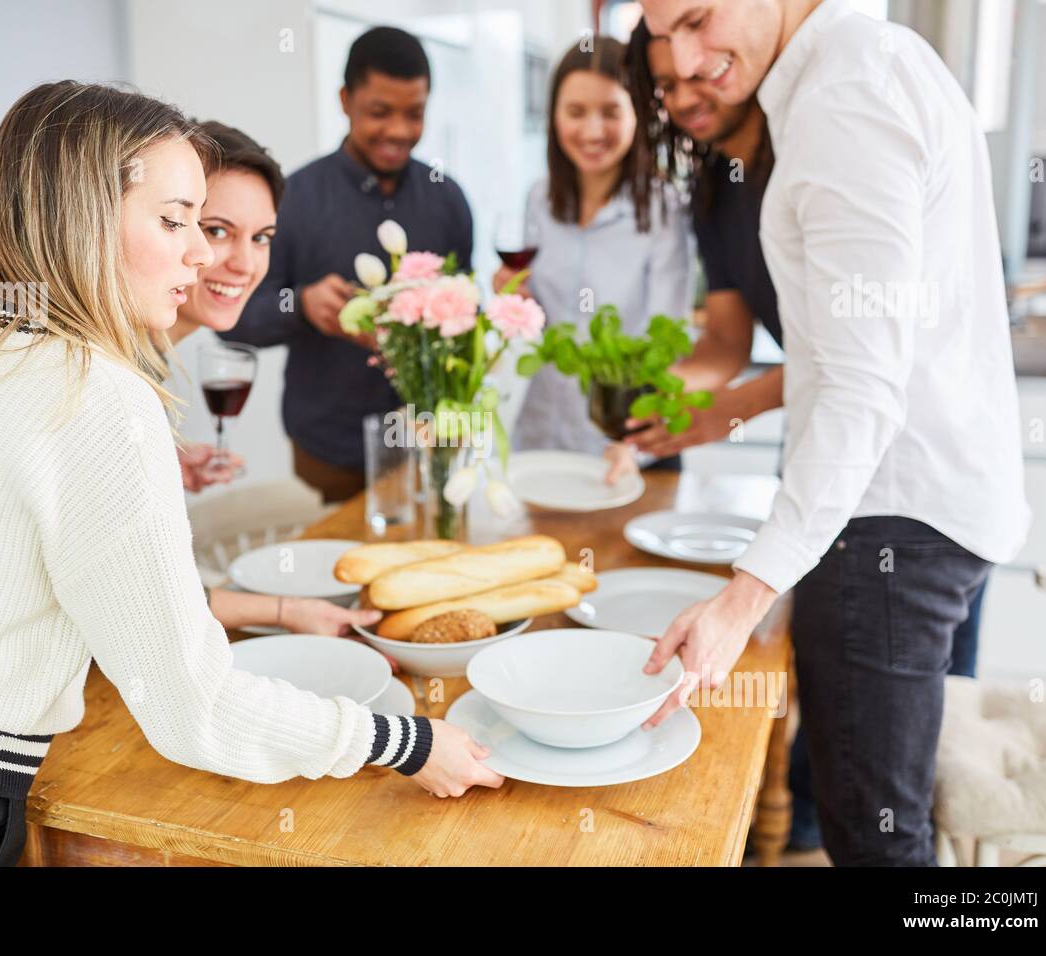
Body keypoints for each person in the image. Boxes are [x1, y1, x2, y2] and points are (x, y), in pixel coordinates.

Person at [0, 81, 502, 866]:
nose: (200, 254)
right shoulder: (94, 392)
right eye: (175, 222)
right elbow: (193, 707)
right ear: (82, 214)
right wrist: (402, 741)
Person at [637, 0, 1028, 866]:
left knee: (878, 848)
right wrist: (728, 409)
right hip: (926, 510)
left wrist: (743, 598)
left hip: (886, 525)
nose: (691, 60)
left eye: (698, 19)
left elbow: (859, 384)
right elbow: (855, 349)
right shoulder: (857, 69)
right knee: (892, 824)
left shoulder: (842, 98)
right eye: (668, 36)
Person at [223, 26, 474, 502]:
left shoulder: (448, 200)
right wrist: (300, 306)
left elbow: (466, 319)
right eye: (380, 112)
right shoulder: (291, 198)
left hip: (431, 446)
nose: (399, 131)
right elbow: (232, 317)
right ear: (345, 99)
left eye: (414, 113)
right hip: (328, 450)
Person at [161, 120, 383, 639]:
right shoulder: (110, 373)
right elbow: (138, 601)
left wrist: (159, 465)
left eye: (262, 238)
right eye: (218, 230)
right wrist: (284, 611)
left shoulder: (152, 359)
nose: (244, 263)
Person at [494, 36, 694, 478]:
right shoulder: (540, 199)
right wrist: (514, 300)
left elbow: (670, 340)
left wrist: (635, 444)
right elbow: (537, 322)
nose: (592, 131)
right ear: (554, 117)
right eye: (576, 112)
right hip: (545, 436)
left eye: (610, 112)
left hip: (628, 442)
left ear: (637, 114)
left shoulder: (663, 208)